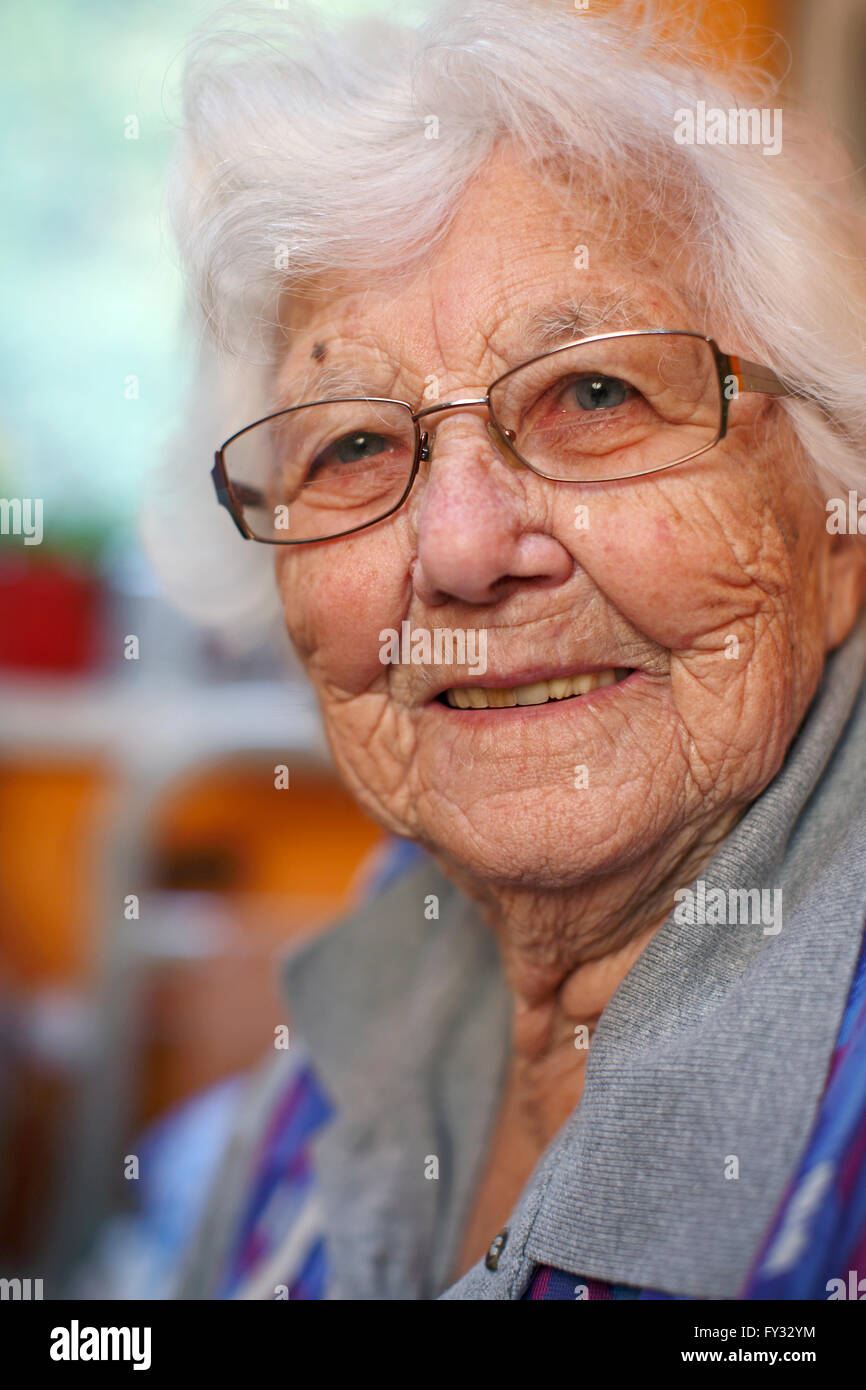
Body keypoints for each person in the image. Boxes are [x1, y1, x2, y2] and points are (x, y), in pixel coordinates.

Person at [143, 0, 866, 1300]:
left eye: (595, 392)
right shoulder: (380, 961)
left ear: (836, 517)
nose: (464, 549)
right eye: (353, 443)